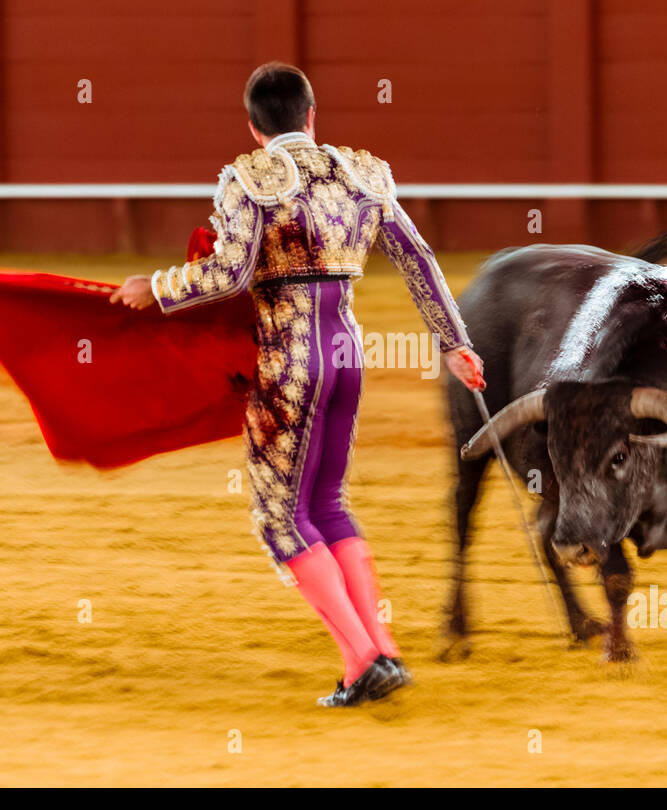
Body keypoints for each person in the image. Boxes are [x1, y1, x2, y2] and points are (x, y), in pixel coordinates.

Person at [111, 62, 484, 707]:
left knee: (280, 517)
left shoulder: (249, 179)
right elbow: (417, 258)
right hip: (345, 354)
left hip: (290, 362)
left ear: (256, 129)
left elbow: (229, 274)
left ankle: (364, 658)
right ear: (312, 117)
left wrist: (160, 286)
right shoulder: (360, 175)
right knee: (327, 502)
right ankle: (377, 653)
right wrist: (455, 342)